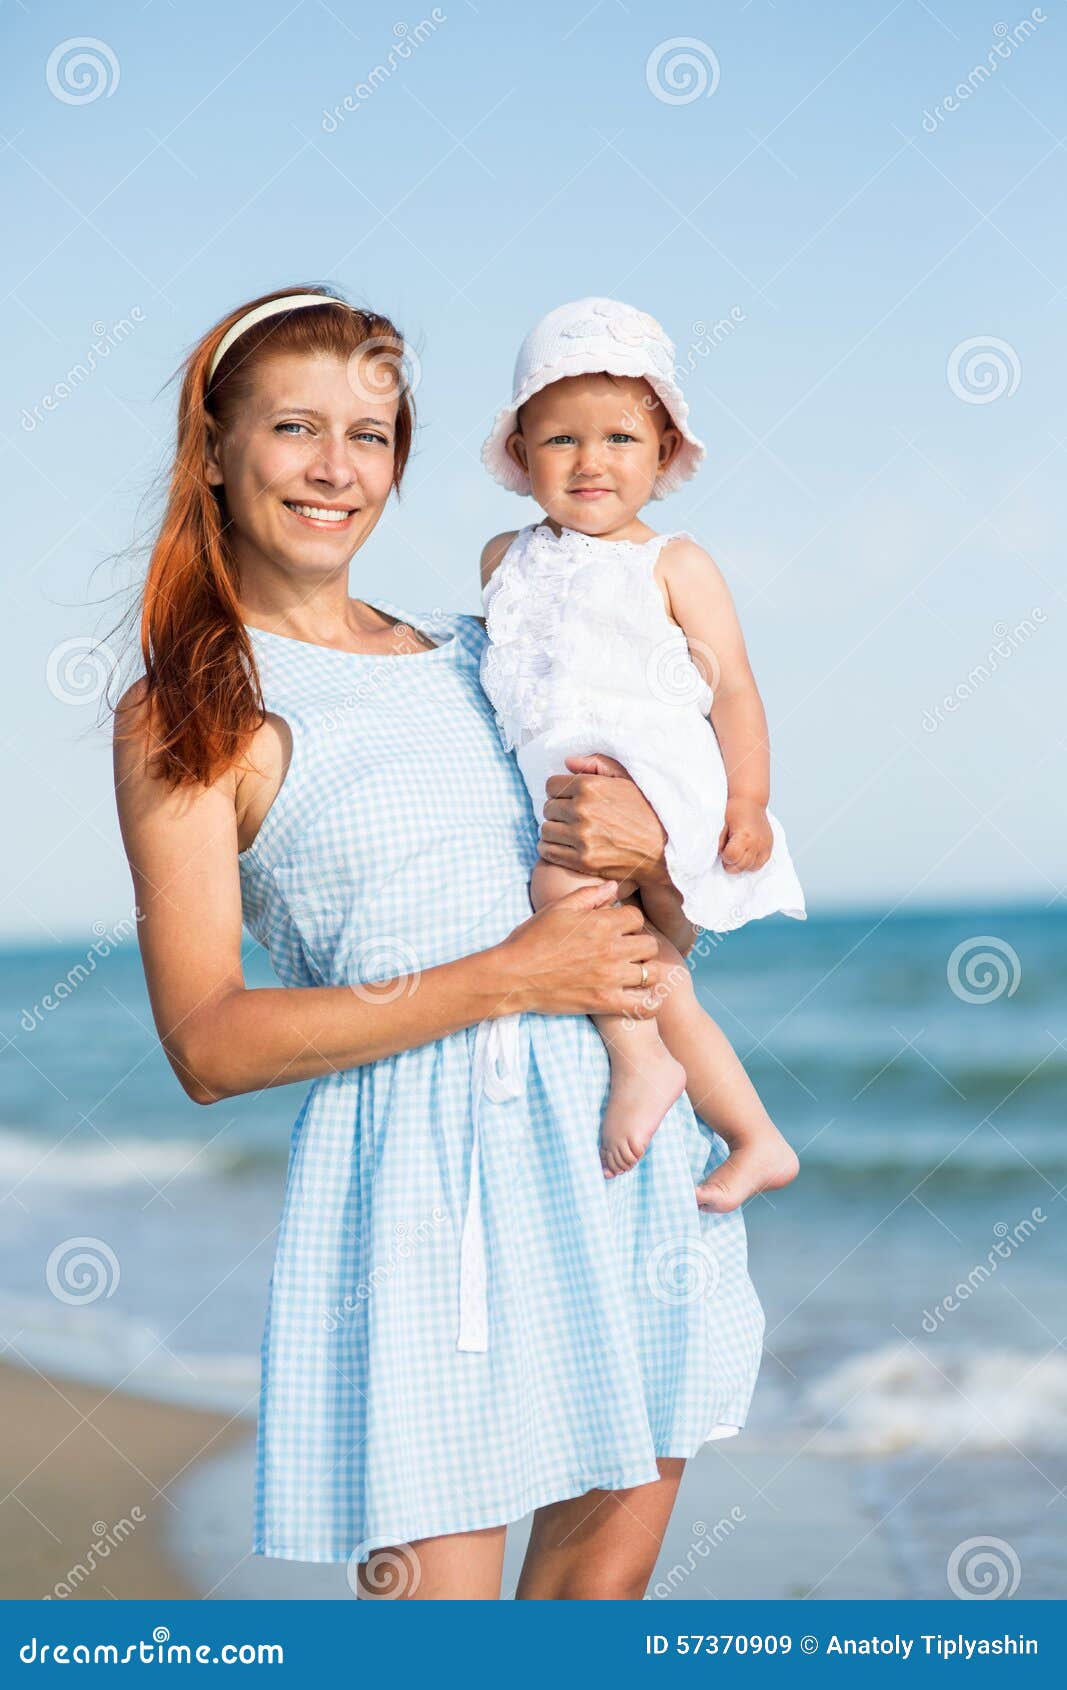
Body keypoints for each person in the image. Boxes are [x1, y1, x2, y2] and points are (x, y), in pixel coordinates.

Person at [112, 286, 764, 1601]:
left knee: (588, 1626)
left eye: (369, 432)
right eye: (295, 426)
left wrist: (657, 847)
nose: (334, 467)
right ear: (217, 448)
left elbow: (660, 909)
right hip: (413, 1200)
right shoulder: (197, 707)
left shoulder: (491, 653)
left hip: (613, 1156)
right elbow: (207, 1043)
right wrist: (505, 977)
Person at [479, 296, 805, 1201]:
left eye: (620, 439)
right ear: (520, 454)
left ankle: (639, 1064)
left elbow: (733, 688)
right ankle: (751, 1133)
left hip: (655, 787)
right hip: (574, 791)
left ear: (663, 454)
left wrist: (746, 803)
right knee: (655, 972)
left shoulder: (674, 563)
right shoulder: (502, 559)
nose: (590, 462)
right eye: (560, 441)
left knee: (568, 904)